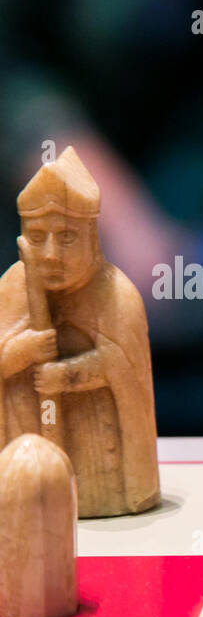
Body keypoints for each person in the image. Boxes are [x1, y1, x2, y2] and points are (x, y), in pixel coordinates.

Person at [0, 147, 159, 516]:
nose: (52, 254)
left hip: (97, 452)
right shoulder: (12, 288)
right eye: (38, 238)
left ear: (91, 236)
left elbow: (128, 373)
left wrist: (68, 374)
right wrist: (19, 352)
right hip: (27, 445)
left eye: (67, 237)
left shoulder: (116, 294)